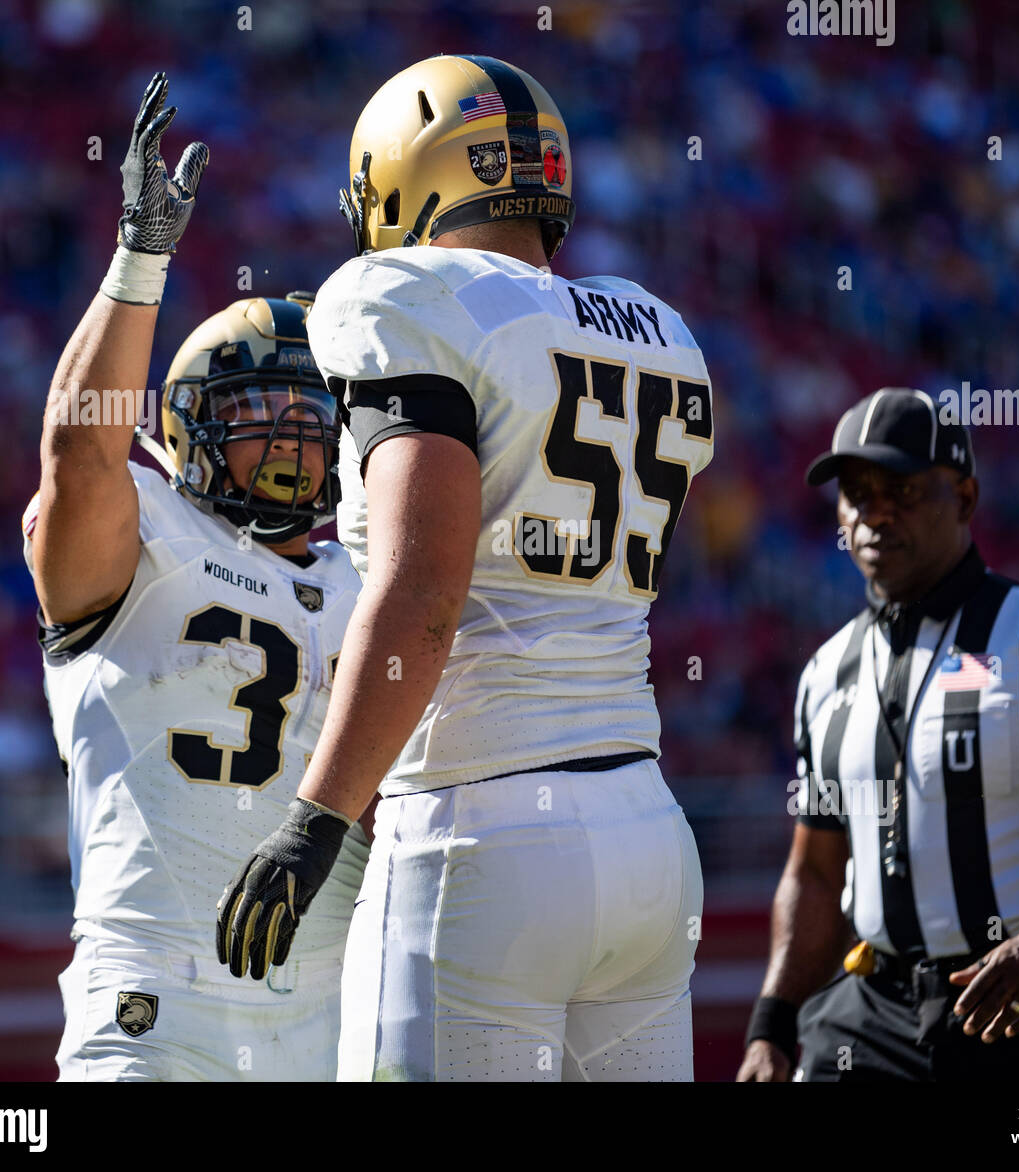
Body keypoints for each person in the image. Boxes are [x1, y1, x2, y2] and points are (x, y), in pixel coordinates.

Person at [217, 54, 714, 1082]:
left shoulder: (402, 294)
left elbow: (425, 591)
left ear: (404, 172)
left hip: (479, 829)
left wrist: (312, 821)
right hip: (647, 832)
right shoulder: (654, 325)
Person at [25, 73, 368, 1081]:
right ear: (188, 421)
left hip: (326, 1011)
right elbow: (78, 454)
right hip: (152, 1000)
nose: (292, 441)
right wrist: (142, 257)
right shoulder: (145, 527)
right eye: (262, 410)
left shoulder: (375, 578)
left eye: (312, 418)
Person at [737, 388, 1019, 1083]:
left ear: (965, 499)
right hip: (875, 1015)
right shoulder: (825, 672)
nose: (873, 512)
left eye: (902, 489)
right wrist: (772, 1024)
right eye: (856, 493)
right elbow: (816, 871)